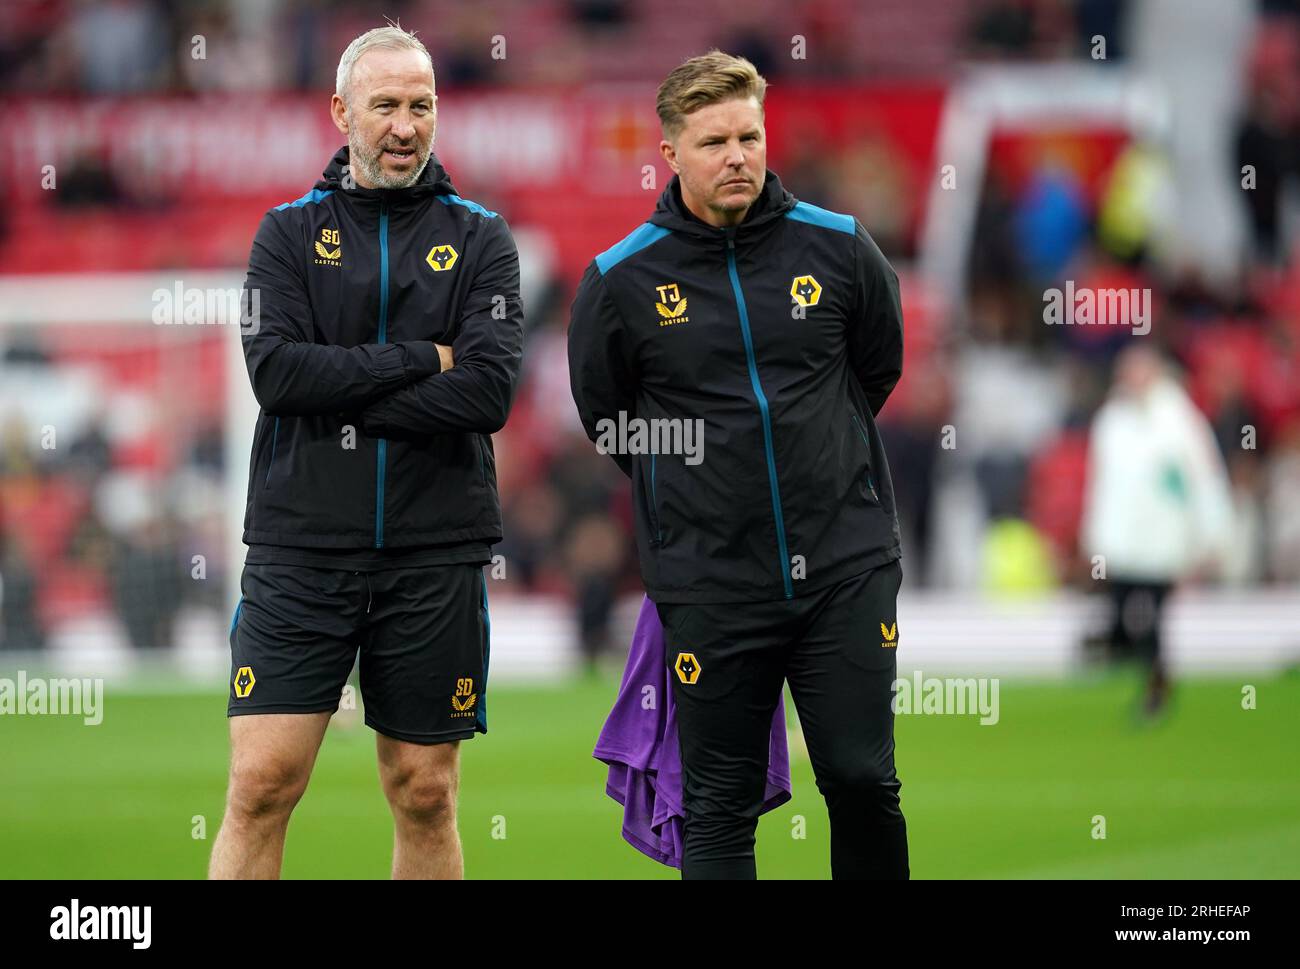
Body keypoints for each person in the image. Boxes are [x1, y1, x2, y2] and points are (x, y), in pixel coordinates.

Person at [568, 51, 908, 879]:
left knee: (863, 778)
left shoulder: (839, 247)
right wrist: (697, 483)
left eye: (750, 135)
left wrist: (818, 461)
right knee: (718, 805)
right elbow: (609, 421)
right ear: (672, 153)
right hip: (711, 583)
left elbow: (876, 372)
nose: (737, 155)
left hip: (843, 566)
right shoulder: (620, 280)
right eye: (715, 140)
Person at [210, 24, 524, 880]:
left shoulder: (484, 238)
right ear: (341, 110)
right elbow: (277, 374)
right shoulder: (284, 234)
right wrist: (424, 358)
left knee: (426, 789)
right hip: (300, 549)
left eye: (421, 106)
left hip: (435, 550)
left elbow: (489, 394)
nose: (404, 125)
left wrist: (342, 384)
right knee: (262, 783)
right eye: (385, 105)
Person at [1080, 345, 1232, 715]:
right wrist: (1095, 538)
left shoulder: (1179, 420)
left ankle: (1155, 688)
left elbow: (1203, 480)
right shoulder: (1112, 421)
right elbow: (1102, 486)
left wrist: (1212, 534)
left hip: (1163, 541)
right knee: (1122, 614)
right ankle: (1146, 679)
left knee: (1148, 617)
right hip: (1123, 544)